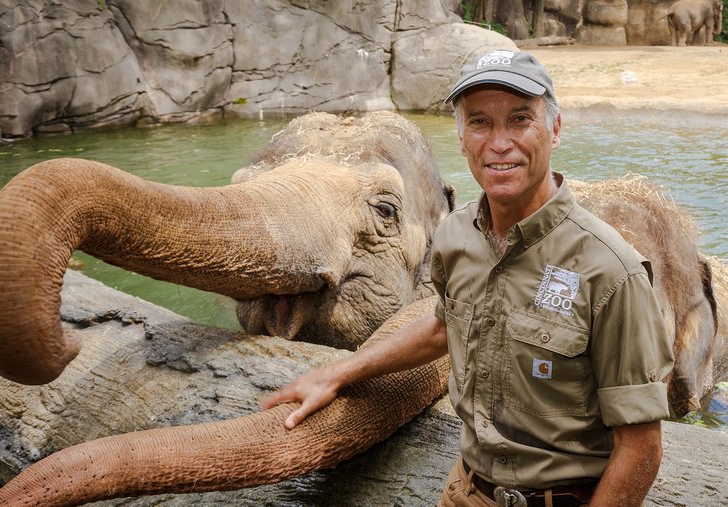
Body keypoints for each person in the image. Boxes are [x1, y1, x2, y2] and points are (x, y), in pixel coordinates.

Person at [261, 49, 674, 507]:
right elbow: (443, 325)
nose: (499, 143)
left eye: (520, 120)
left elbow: (641, 448)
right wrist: (338, 373)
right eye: (480, 123)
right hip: (465, 490)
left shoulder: (611, 269)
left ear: (554, 130)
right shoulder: (457, 235)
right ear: (462, 139)